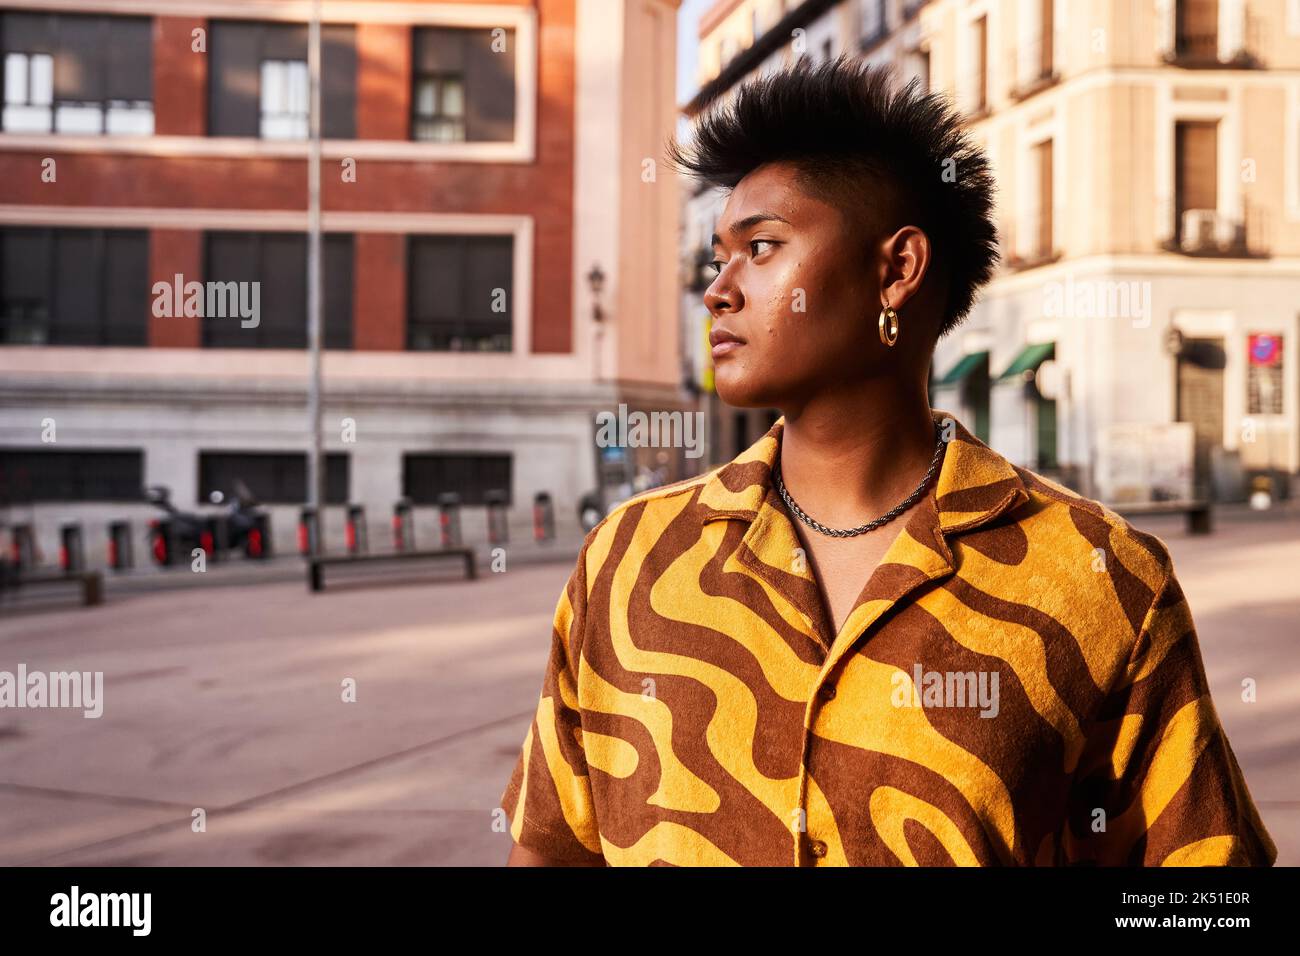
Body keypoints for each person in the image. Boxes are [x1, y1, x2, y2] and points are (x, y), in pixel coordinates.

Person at [499, 56, 1277, 867]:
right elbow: (552, 851)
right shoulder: (628, 559)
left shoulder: (1097, 576)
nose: (719, 291)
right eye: (717, 259)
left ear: (896, 269)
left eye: (761, 248)